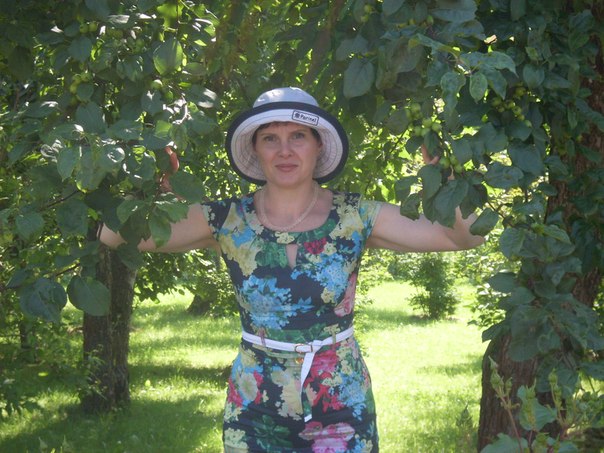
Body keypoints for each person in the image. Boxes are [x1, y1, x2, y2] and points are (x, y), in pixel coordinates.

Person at [100, 87, 484, 452]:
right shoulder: (227, 220)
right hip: (255, 407)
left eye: (298, 136)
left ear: (319, 145)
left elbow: (465, 237)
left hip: (341, 404)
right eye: (270, 138)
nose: (284, 150)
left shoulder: (356, 217)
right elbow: (113, 234)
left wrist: (445, 175)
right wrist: (151, 181)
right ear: (256, 149)